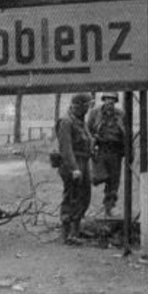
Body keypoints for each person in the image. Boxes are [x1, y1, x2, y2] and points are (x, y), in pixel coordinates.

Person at [55, 92, 94, 245]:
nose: (88, 109)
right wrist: (74, 168)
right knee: (72, 196)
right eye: (86, 106)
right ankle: (67, 233)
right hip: (72, 163)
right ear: (79, 106)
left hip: (83, 161)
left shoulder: (80, 121)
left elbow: (86, 138)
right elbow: (66, 148)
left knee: (84, 196)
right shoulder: (66, 121)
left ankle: (76, 230)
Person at [87, 92, 127, 217]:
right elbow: (88, 130)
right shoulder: (95, 113)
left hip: (115, 151)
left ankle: (109, 207)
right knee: (98, 177)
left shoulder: (121, 115)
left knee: (114, 181)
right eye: (107, 99)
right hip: (101, 149)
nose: (110, 102)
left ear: (115, 102)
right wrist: (92, 143)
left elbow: (127, 133)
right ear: (103, 100)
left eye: (112, 100)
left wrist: (128, 150)